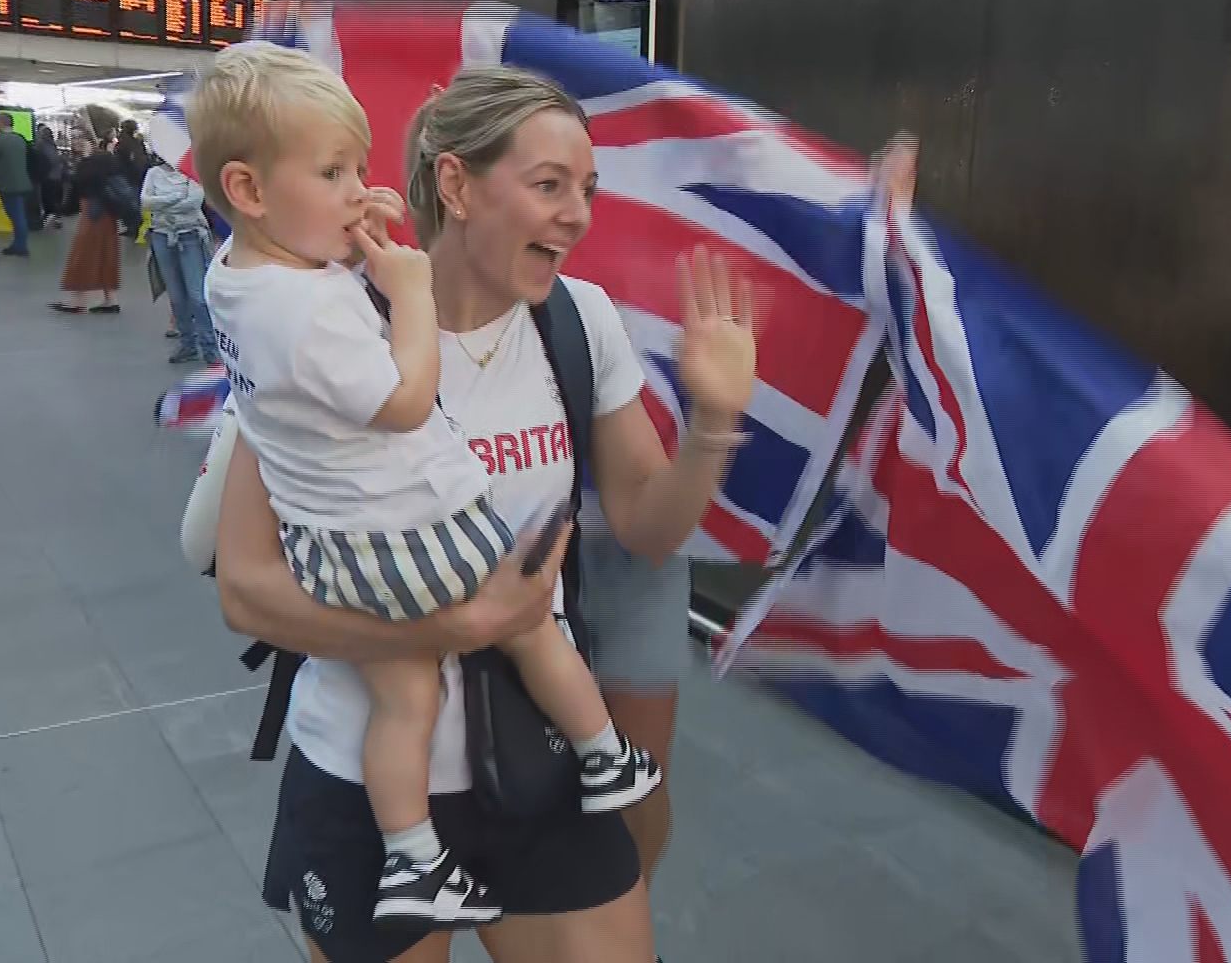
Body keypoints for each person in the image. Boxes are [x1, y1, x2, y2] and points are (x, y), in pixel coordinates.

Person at [212, 64, 760, 963]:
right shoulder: (320, 327)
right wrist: (457, 624)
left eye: (587, 190)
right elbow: (248, 587)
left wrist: (711, 422)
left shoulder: (580, 322)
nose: (577, 214)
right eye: (549, 186)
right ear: (457, 184)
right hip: (368, 779)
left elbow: (648, 528)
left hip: (537, 760)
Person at [139, 154, 220, 365]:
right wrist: (177, 198)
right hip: (161, 236)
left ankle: (209, 345)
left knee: (197, 295)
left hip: (190, 236)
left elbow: (193, 202)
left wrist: (161, 203)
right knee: (176, 296)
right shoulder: (153, 174)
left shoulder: (193, 172)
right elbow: (145, 202)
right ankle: (188, 345)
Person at [51, 135, 122, 314]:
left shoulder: (90, 163)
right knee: (107, 254)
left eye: (80, 138)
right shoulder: (108, 161)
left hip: (92, 212)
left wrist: (59, 211)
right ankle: (110, 300)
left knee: (83, 254)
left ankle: (78, 301)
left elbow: (80, 187)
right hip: (108, 212)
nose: (76, 142)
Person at [0, 113, 35, 257]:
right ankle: (18, 244)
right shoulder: (20, 139)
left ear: (0, 123)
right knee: (18, 214)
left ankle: (21, 247)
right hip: (23, 182)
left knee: (16, 216)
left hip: (7, 183)